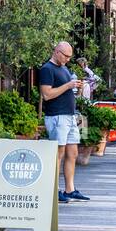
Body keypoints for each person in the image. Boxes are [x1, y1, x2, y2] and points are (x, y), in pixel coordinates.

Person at [39, 40, 89, 203]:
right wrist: (68, 85)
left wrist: (77, 88)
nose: (68, 59)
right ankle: (53, 190)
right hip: (57, 116)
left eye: (70, 56)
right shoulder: (47, 69)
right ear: (57, 52)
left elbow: (66, 90)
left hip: (69, 115)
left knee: (72, 153)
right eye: (66, 56)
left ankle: (70, 189)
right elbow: (47, 94)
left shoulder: (64, 69)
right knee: (57, 154)